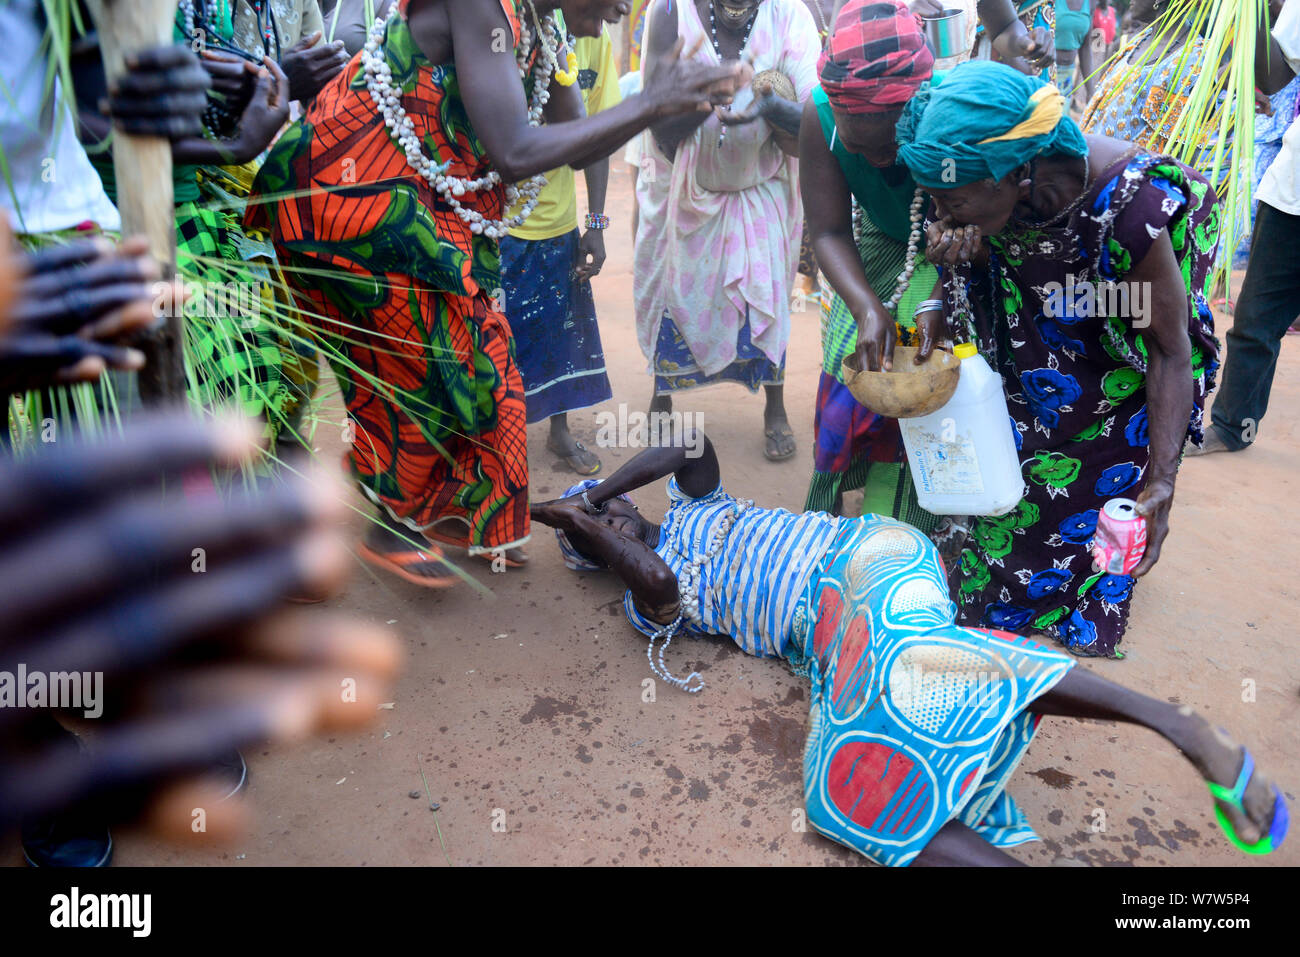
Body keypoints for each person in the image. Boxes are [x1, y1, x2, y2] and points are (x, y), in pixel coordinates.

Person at [530, 433, 1288, 865]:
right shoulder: (648, 603)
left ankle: (1182, 728)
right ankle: (1174, 729)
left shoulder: (698, 500)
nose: (615, 517)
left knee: (916, 668)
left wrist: (587, 501)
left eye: (614, 504)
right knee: (846, 790)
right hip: (835, 631)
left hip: (867, 558)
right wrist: (581, 529)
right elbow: (654, 575)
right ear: (599, 559)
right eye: (597, 534)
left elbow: (689, 442)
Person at [249, 0, 752, 586]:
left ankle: (455, 512)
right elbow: (513, 152)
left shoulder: (539, 25)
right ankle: (388, 524)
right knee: (424, 367)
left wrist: (658, 108)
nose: (622, 9)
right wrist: (647, 102)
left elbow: (579, 142)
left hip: (414, 215)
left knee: (483, 365)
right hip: (344, 202)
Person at [885, 60, 1220, 659]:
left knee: (1103, 496)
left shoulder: (1131, 210)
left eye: (952, 202)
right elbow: (985, 257)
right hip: (1032, 347)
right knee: (1011, 481)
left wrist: (1165, 480)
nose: (941, 216)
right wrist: (944, 286)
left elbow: (1170, 351)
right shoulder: (991, 187)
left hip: (1118, 358)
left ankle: (1089, 591)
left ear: (1016, 173)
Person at [801, 0, 1052, 519]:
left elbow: (991, 214)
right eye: (860, 147)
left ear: (920, 109)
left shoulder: (953, 114)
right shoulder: (819, 112)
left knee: (924, 360)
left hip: (953, 242)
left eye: (890, 146)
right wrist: (868, 308)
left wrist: (960, 259)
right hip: (879, 238)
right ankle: (834, 499)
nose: (878, 161)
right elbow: (827, 230)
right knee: (851, 355)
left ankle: (911, 513)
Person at [635, 0, 820, 463]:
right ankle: (663, 393)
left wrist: (771, 108)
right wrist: (706, 99)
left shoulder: (790, 16)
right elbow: (658, 129)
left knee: (770, 296)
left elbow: (814, 124)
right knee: (669, 292)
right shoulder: (669, 12)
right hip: (682, 189)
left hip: (763, 186)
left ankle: (774, 407)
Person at [500, 24, 621, 477]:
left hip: (558, 222)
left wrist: (596, 223)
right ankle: (493, 440)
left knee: (560, 334)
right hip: (493, 220)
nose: (615, 12)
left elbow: (598, 137)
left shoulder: (595, 38)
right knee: (495, 338)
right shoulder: (506, 28)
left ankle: (559, 429)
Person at [1193, 0, 1300, 455]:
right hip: (1292, 187)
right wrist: (1250, 7)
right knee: (1255, 316)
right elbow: (1275, 74)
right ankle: (1234, 425)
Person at [1053, 0, 1094, 109]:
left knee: (1060, 120)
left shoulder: (1090, 3)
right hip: (1045, 72)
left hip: (1066, 77)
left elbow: (1086, 48)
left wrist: (1091, 91)